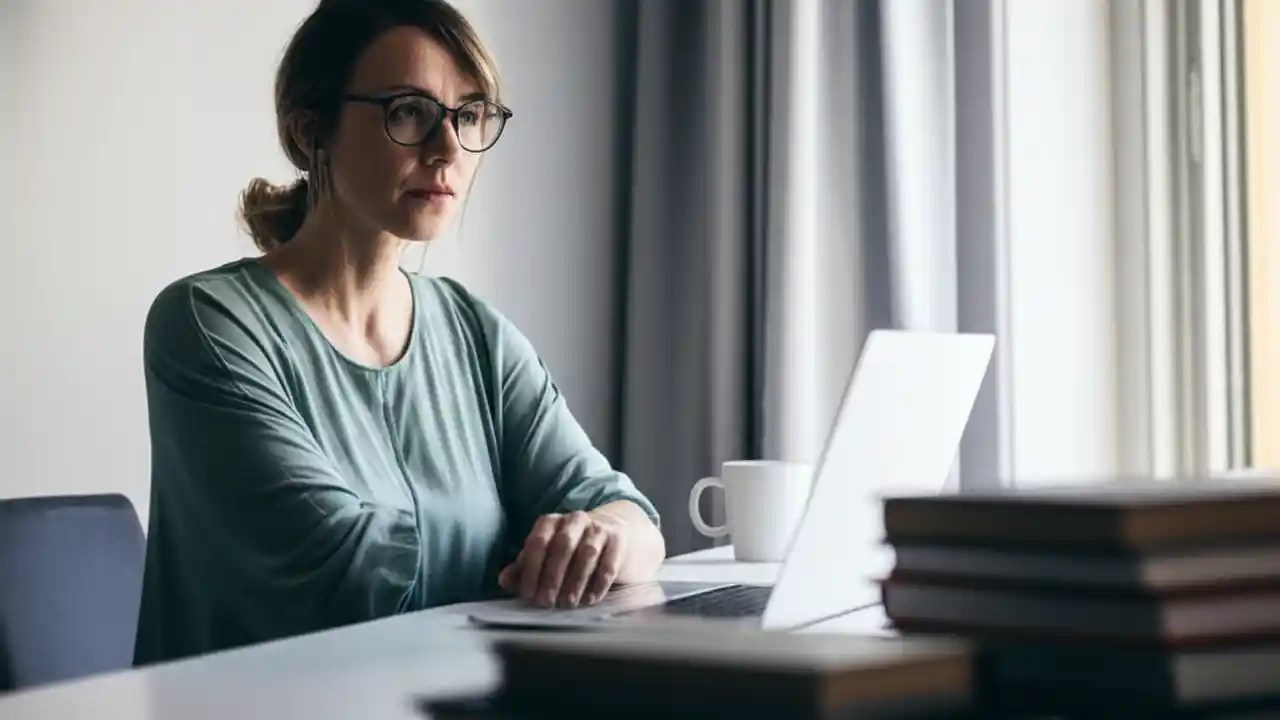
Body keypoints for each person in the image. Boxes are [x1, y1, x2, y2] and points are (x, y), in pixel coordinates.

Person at [135, 0, 663, 664]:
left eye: (469, 115)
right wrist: (529, 553)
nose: (448, 150)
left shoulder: (477, 334)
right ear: (308, 134)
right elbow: (347, 577)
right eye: (408, 112)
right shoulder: (207, 324)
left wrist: (604, 540)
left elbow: (629, 516)